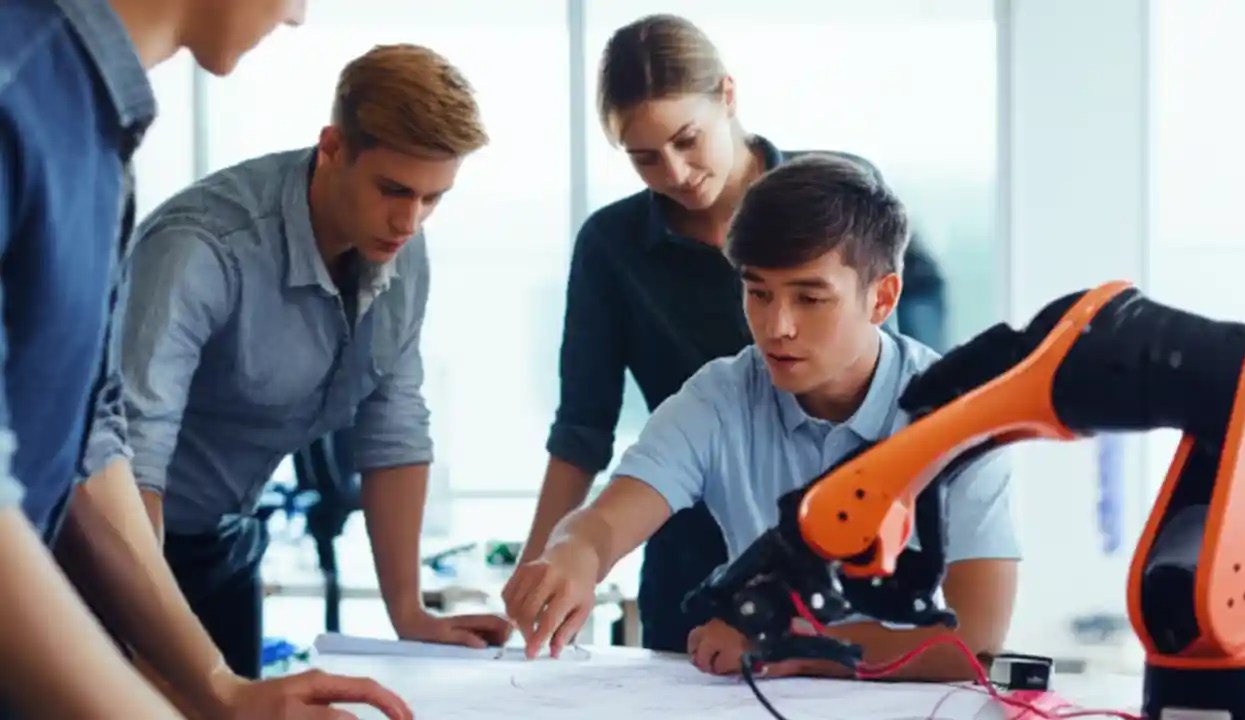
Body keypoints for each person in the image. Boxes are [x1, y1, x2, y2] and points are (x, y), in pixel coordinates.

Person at [0, 0, 410, 718]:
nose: (298, 17)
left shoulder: (93, 128)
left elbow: (86, 442)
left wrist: (218, 688)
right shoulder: (16, 80)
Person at [518, 12, 945, 654]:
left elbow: (907, 380)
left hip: (849, 541)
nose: (676, 172)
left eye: (688, 139)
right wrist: (545, 569)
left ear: (727, 96)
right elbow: (582, 426)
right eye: (644, 157)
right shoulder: (614, 248)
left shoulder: (839, 193)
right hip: (685, 540)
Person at [504, 154, 1020, 682]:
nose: (777, 327)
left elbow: (975, 640)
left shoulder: (960, 417)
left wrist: (787, 644)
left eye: (810, 298)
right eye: (758, 293)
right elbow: (606, 522)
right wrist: (574, 554)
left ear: (882, 298)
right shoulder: (719, 398)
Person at [88, 42, 512, 682]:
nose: (409, 220)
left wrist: (409, 612)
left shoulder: (401, 244)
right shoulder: (201, 250)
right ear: (333, 148)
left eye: (433, 198)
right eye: (394, 190)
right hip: (113, 557)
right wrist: (148, 642)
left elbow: (393, 424)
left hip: (224, 547)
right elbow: (132, 453)